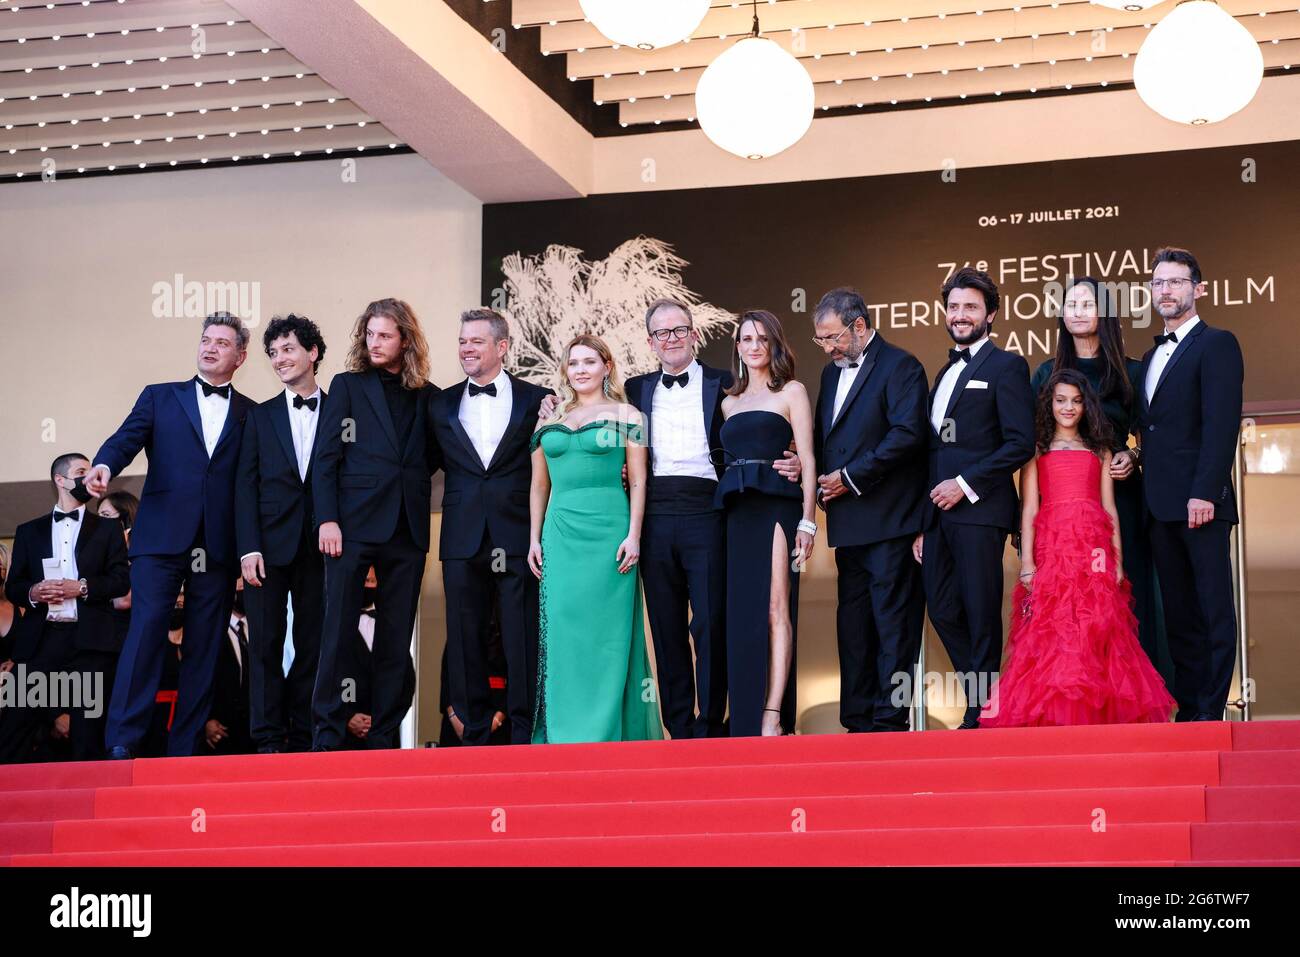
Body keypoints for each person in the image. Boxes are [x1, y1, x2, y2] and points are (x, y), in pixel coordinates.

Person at [623, 299, 802, 740]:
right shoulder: (634, 389)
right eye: (662, 333)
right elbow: (598, 416)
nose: (672, 339)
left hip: (712, 508)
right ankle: (680, 728)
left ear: (694, 335)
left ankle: (712, 724)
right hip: (655, 511)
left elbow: (766, 429)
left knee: (710, 621)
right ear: (650, 342)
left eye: (680, 330)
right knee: (665, 626)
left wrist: (795, 460)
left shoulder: (727, 385)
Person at [85, 313, 255, 758]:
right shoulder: (161, 397)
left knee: (204, 646)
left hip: (217, 545)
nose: (210, 347)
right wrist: (105, 464)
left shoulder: (251, 414)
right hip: (160, 538)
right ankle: (123, 739)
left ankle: (185, 747)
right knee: (144, 634)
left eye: (222, 342)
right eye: (205, 339)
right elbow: (125, 438)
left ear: (241, 355)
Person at [980, 370, 1174, 727]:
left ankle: (1097, 718)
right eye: (1061, 400)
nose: (1068, 408)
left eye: (1076, 401)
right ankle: (1057, 719)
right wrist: (1027, 563)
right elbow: (1029, 508)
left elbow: (1109, 507)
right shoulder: (1036, 451)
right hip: (1052, 548)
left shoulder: (1099, 449)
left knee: (1097, 626)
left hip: (1094, 549)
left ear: (1086, 406)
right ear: (1048, 404)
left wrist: (1116, 561)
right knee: (1053, 627)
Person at [312, 299, 440, 751]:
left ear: (405, 339)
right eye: (369, 334)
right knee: (337, 632)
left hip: (406, 531)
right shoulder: (347, 386)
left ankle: (386, 736)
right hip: (352, 528)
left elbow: (444, 454)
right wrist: (326, 519)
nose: (375, 343)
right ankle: (326, 733)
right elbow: (325, 458)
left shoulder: (428, 394)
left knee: (394, 638)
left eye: (384, 335)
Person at [913, 268, 1035, 729]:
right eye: (954, 307)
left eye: (970, 307)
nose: (960, 315)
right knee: (942, 607)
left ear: (991, 315)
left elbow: (1019, 443)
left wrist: (964, 484)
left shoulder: (1007, 367)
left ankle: (981, 710)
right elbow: (933, 451)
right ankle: (989, 695)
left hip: (980, 510)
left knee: (981, 610)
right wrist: (925, 522)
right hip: (938, 516)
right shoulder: (942, 372)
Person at [527, 335, 660, 743]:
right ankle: (565, 735)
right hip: (560, 535)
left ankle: (604, 733)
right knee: (565, 633)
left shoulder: (630, 415)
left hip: (610, 534)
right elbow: (538, 487)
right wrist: (534, 538)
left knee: (608, 635)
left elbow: (638, 480)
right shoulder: (548, 419)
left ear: (606, 366)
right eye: (573, 363)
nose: (580, 370)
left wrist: (634, 535)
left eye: (589, 362)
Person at [1032, 277, 1167, 678]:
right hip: (1063, 510)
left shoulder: (1132, 372)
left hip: (1119, 501)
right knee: (1066, 606)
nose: (1076, 311)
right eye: (1069, 305)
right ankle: (1077, 693)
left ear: (1105, 312)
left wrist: (1134, 455)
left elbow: (1149, 435)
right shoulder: (1045, 373)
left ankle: (1134, 700)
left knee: (1126, 597)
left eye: (1086, 304)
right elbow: (1034, 446)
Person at [429, 308, 551, 746]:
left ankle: (524, 735)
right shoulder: (438, 402)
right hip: (461, 536)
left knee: (520, 638)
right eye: (462, 341)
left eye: (476, 341)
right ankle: (473, 733)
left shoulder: (539, 398)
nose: (466, 348)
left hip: (517, 532)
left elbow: (558, 459)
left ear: (502, 347)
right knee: (464, 637)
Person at [811, 288, 929, 732]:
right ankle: (857, 719)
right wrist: (815, 473)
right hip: (847, 524)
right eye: (820, 340)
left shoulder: (901, 366)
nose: (826, 348)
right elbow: (829, 437)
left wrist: (850, 477)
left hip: (892, 520)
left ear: (859, 325)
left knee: (893, 625)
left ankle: (890, 720)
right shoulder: (828, 374)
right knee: (854, 626)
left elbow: (907, 435)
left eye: (832, 338)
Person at [1137, 247, 1244, 722]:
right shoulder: (1147, 355)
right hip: (1158, 506)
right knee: (1177, 615)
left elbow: (1221, 424)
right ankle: (1190, 711)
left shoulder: (1218, 343)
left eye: (1176, 282)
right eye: (1159, 283)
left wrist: (1205, 490)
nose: (1167, 290)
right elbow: (1156, 429)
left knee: (1211, 610)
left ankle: (1211, 710)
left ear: (1197, 289)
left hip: (1201, 502)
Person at [716, 310, 817, 737]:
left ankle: (772, 715)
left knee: (777, 606)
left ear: (775, 344)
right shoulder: (728, 401)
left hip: (777, 506)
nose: (753, 346)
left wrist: (808, 522)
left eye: (762, 339)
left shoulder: (791, 391)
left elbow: (809, 460)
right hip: (737, 512)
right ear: (737, 347)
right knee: (742, 614)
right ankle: (743, 715)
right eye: (745, 339)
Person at [236, 313, 328, 753]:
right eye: (273, 353)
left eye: (288, 349)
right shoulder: (259, 416)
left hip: (323, 546)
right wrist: (248, 548)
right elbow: (245, 486)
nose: (279, 359)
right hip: (267, 548)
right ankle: (267, 738)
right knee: (266, 644)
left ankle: (305, 732)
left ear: (312, 353)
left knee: (314, 642)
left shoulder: (340, 411)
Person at [0, 453, 130, 762]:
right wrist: (33, 591)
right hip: (42, 641)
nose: (89, 478)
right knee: (15, 723)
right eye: (81, 472)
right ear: (60, 480)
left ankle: (91, 805)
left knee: (87, 734)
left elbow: (120, 581)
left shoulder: (107, 529)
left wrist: (82, 587)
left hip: (90, 643)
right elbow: (14, 586)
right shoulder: (29, 531)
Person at [204, 584, 255, 754]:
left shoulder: (260, 630)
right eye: (239, 583)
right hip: (220, 730)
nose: (243, 589)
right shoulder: (212, 629)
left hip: (254, 733)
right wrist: (206, 719)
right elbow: (201, 679)